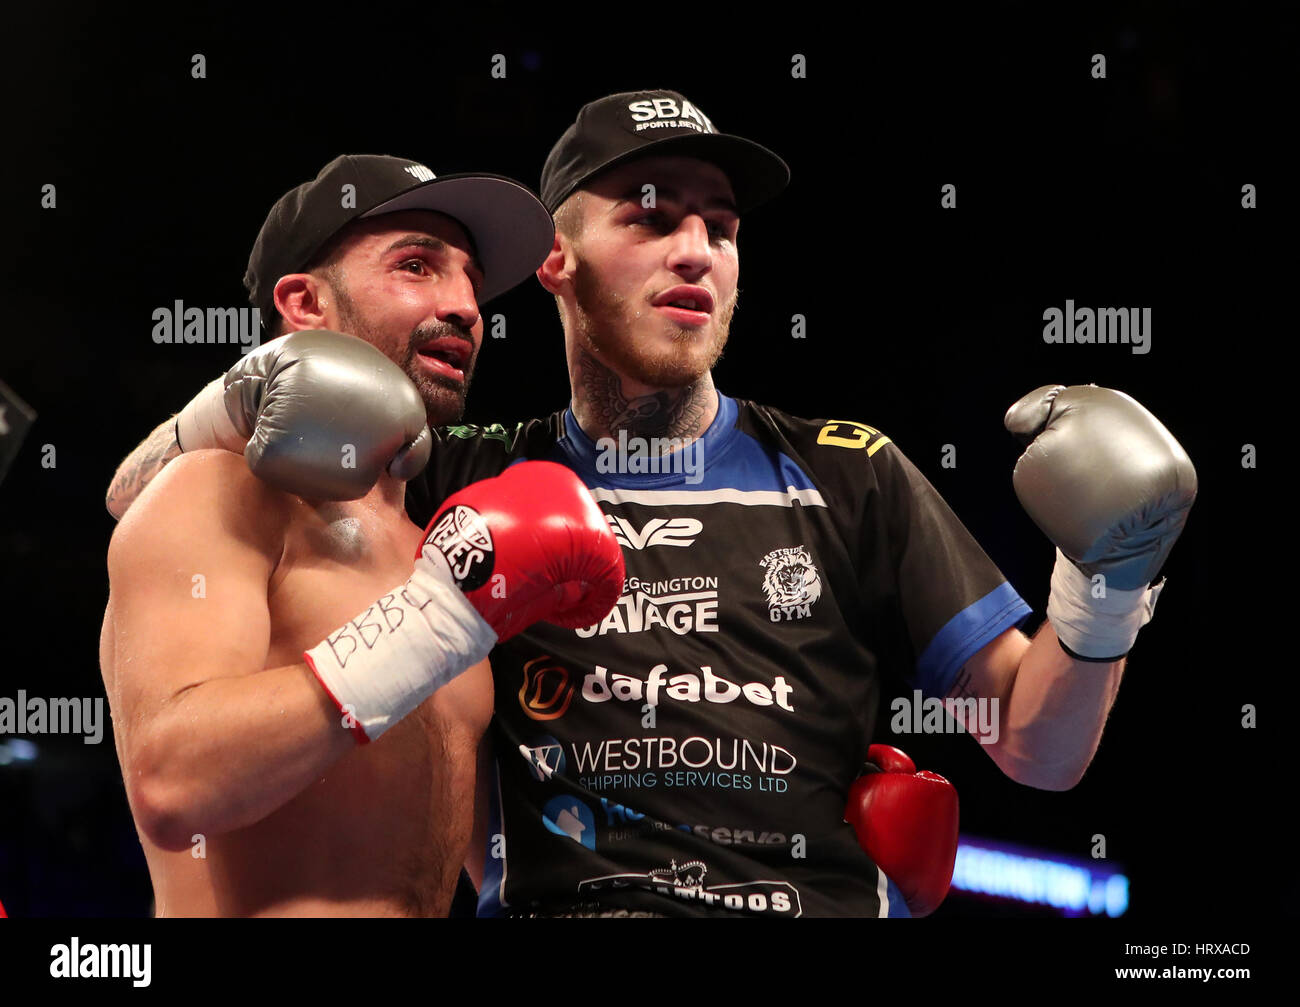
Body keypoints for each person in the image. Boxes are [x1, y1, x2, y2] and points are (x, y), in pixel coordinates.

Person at [106, 92, 1197, 917]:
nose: (694, 250)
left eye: (719, 228)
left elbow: (1035, 748)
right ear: (556, 264)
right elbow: (146, 507)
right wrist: (248, 385)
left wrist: (1107, 586)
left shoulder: (852, 469)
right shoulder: (457, 477)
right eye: (649, 216)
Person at [98, 153, 624, 916]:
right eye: (418, 265)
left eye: (471, 279)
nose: (466, 305)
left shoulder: (438, 550)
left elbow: (497, 866)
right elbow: (173, 782)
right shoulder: (218, 492)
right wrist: (437, 620)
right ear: (304, 302)